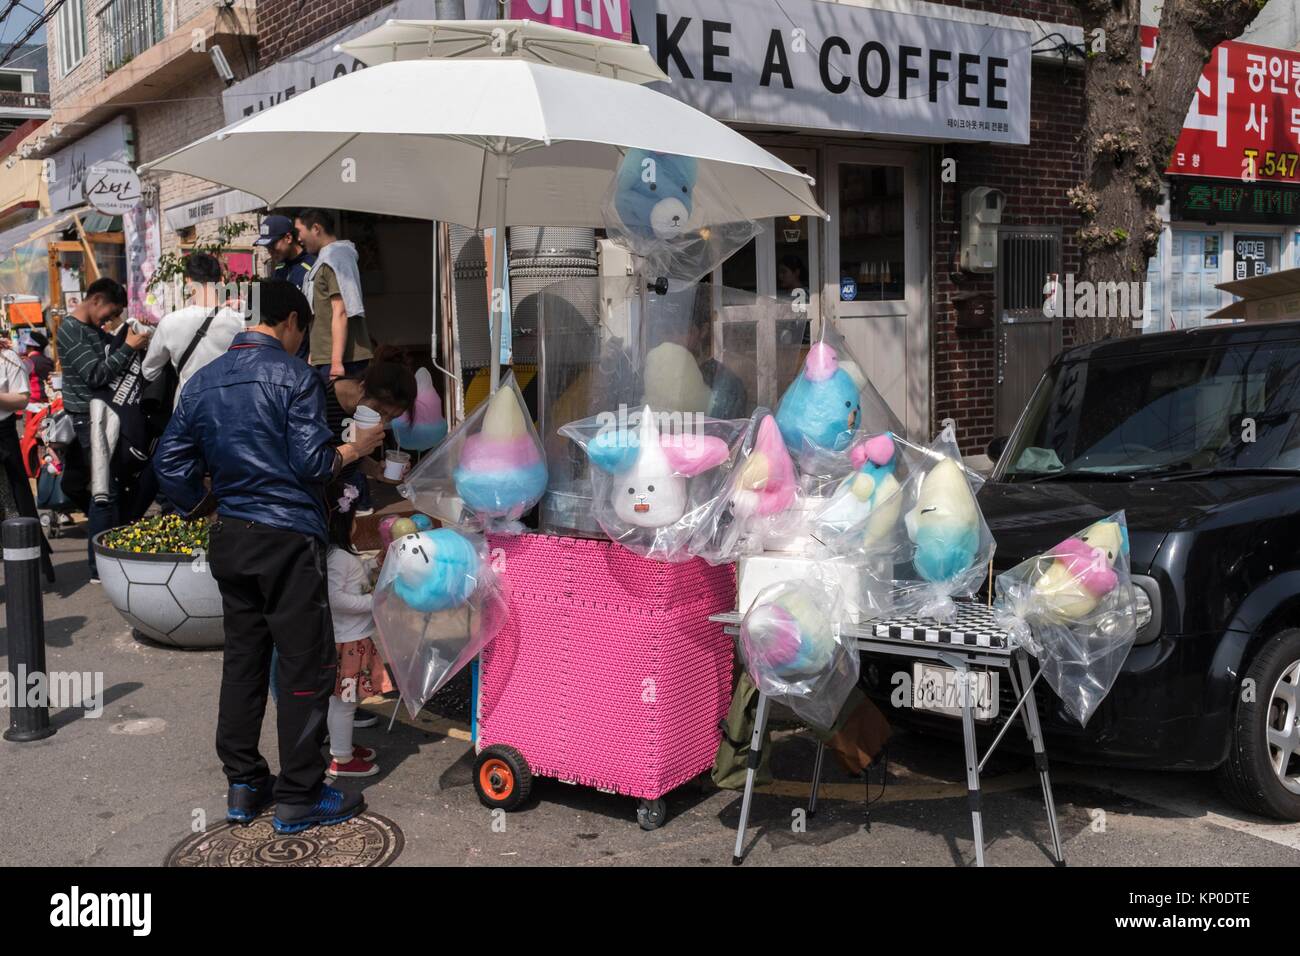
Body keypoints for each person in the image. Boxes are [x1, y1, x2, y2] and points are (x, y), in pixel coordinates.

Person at [153, 279, 385, 833]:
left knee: (243, 661)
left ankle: (243, 783)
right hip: (287, 540)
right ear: (289, 321)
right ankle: (300, 797)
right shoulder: (294, 377)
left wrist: (207, 503)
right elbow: (312, 464)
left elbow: (169, 465)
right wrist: (356, 449)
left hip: (232, 537)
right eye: (302, 331)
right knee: (305, 666)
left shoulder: (202, 381)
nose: (301, 343)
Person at [55, 277, 150, 580]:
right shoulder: (71, 329)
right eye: (110, 312)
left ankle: (109, 545)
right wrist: (129, 347)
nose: (110, 319)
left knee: (97, 489)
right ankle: (102, 567)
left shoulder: (91, 330)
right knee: (104, 493)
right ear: (96, 299)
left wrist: (123, 336)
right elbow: (96, 375)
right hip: (88, 420)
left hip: (97, 417)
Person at [323, 480, 392, 778]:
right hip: (347, 643)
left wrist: (374, 565)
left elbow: (353, 578)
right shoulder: (337, 557)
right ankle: (341, 758)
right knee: (345, 702)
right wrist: (373, 601)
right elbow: (335, 597)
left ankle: (342, 745)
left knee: (341, 700)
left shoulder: (341, 555)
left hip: (351, 639)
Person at [141, 252, 248, 406]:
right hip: (232, 408)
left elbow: (149, 371)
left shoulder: (170, 322)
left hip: (188, 410)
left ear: (189, 282)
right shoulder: (241, 321)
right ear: (222, 280)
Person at [295, 209, 373, 383]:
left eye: (300, 231)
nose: (298, 238)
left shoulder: (337, 257)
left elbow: (340, 310)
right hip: (325, 358)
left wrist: (337, 363)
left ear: (316, 228)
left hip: (343, 360)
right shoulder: (323, 259)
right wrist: (313, 355)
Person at [0, 339, 54, 580]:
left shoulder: (8, 357)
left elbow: (22, 399)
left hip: (2, 434)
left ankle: (29, 563)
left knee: (16, 501)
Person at [255, 213, 315, 360]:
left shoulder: (312, 267)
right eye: (266, 246)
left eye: (272, 244)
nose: (269, 251)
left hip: (306, 354)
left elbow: (317, 316)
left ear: (288, 238)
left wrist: (314, 354)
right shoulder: (279, 269)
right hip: (281, 353)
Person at [23, 332, 53, 404]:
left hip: (33, 402)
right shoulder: (48, 360)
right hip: (47, 399)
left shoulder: (28, 362)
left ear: (32, 347)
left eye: (27, 346)